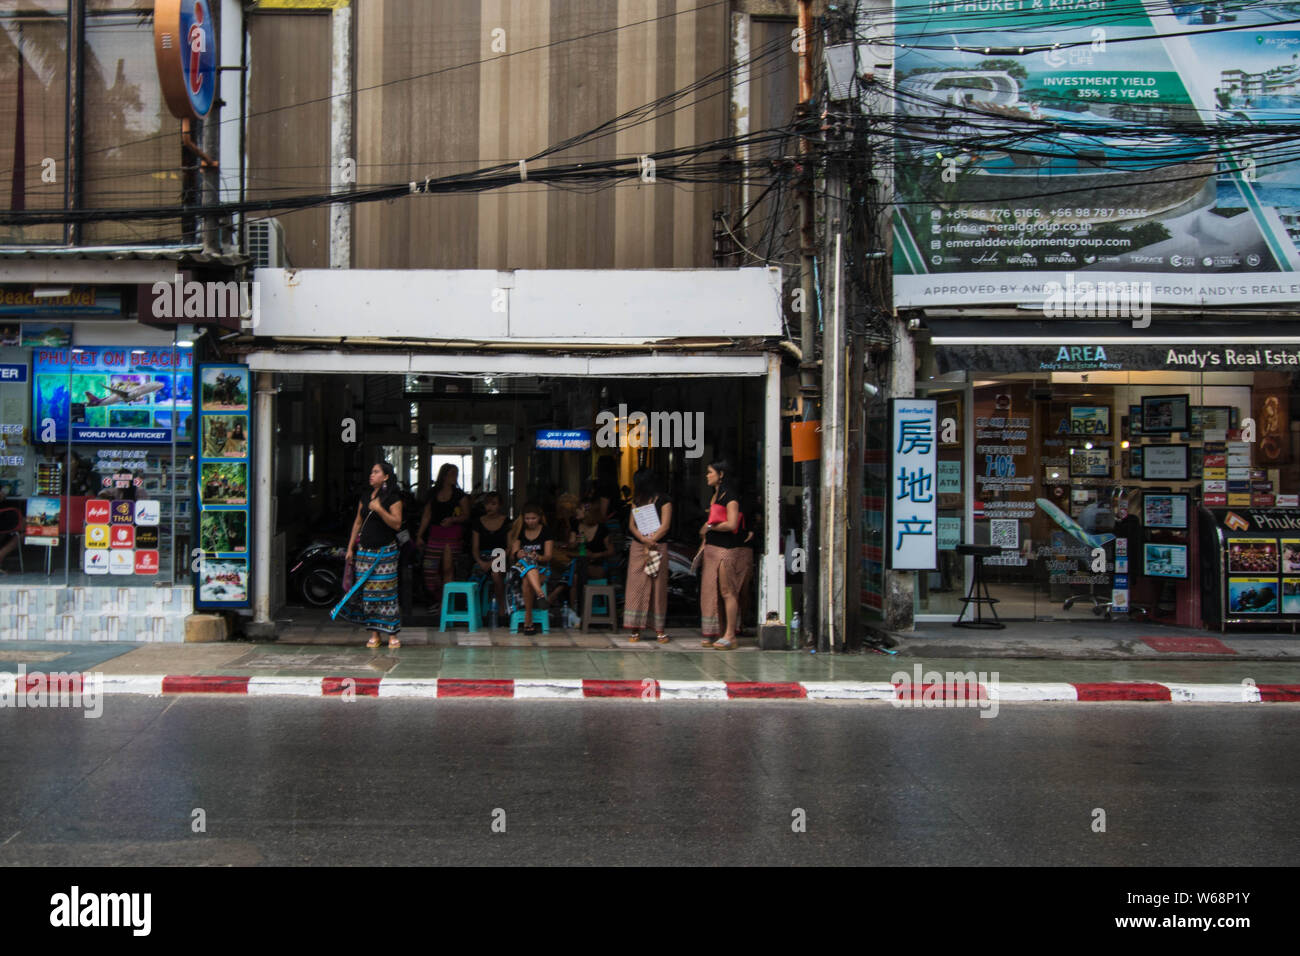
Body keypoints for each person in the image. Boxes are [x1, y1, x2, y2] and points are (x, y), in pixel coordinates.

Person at [336, 461, 404, 649]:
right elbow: (357, 523)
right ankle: (375, 633)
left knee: (386, 593)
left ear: (386, 476)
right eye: (371, 471)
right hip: (364, 553)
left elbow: (397, 524)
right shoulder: (365, 497)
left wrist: (380, 509)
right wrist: (350, 548)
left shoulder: (393, 498)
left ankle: (391, 633)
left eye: (376, 472)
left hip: (385, 553)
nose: (371, 475)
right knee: (369, 594)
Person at [698, 458, 750, 649]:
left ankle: (730, 634)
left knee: (728, 591)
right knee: (715, 592)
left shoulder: (731, 496)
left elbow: (732, 523)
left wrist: (711, 527)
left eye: (710, 472)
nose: (707, 475)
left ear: (721, 475)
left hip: (726, 550)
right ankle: (718, 631)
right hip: (712, 548)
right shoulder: (716, 495)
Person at [623, 468, 673, 642]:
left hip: (657, 547)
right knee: (636, 586)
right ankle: (635, 629)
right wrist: (644, 540)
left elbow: (665, 525)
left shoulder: (665, 500)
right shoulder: (636, 502)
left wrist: (652, 541)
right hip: (639, 548)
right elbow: (632, 526)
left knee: (657, 587)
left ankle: (659, 629)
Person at [417, 463, 469, 617]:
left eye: (456, 473)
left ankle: (445, 604)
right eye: (452, 473)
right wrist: (419, 535)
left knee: (448, 569)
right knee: (429, 570)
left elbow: (466, 515)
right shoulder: (433, 493)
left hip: (452, 534)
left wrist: (453, 520)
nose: (455, 476)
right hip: (435, 534)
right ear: (444, 475)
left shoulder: (460, 495)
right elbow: (426, 516)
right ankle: (438, 597)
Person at [506, 503, 553, 635]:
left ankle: (528, 620)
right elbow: (513, 554)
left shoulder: (546, 532)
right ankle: (540, 594)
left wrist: (537, 557)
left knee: (527, 580)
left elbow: (548, 556)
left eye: (533, 518)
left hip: (541, 569)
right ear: (523, 518)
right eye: (527, 518)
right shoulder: (520, 531)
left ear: (539, 517)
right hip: (520, 569)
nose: (530, 521)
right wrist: (517, 554)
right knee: (526, 562)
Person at [568, 490, 615, 615]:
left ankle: (580, 612)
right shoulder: (575, 525)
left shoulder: (602, 530)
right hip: (580, 563)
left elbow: (611, 551)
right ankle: (575, 612)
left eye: (580, 509)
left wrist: (595, 555)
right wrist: (576, 543)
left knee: (575, 573)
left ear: (588, 512)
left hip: (598, 565)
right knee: (575, 575)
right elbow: (570, 545)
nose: (576, 511)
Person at [470, 491, 510, 620]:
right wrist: (481, 562)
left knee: (496, 573)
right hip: (483, 557)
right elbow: (475, 548)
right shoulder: (478, 522)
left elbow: (509, 547)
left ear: (500, 505)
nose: (490, 507)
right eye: (487, 504)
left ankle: (501, 610)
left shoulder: (506, 522)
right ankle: (475, 611)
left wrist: (494, 561)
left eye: (493, 504)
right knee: (475, 576)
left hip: (501, 556)